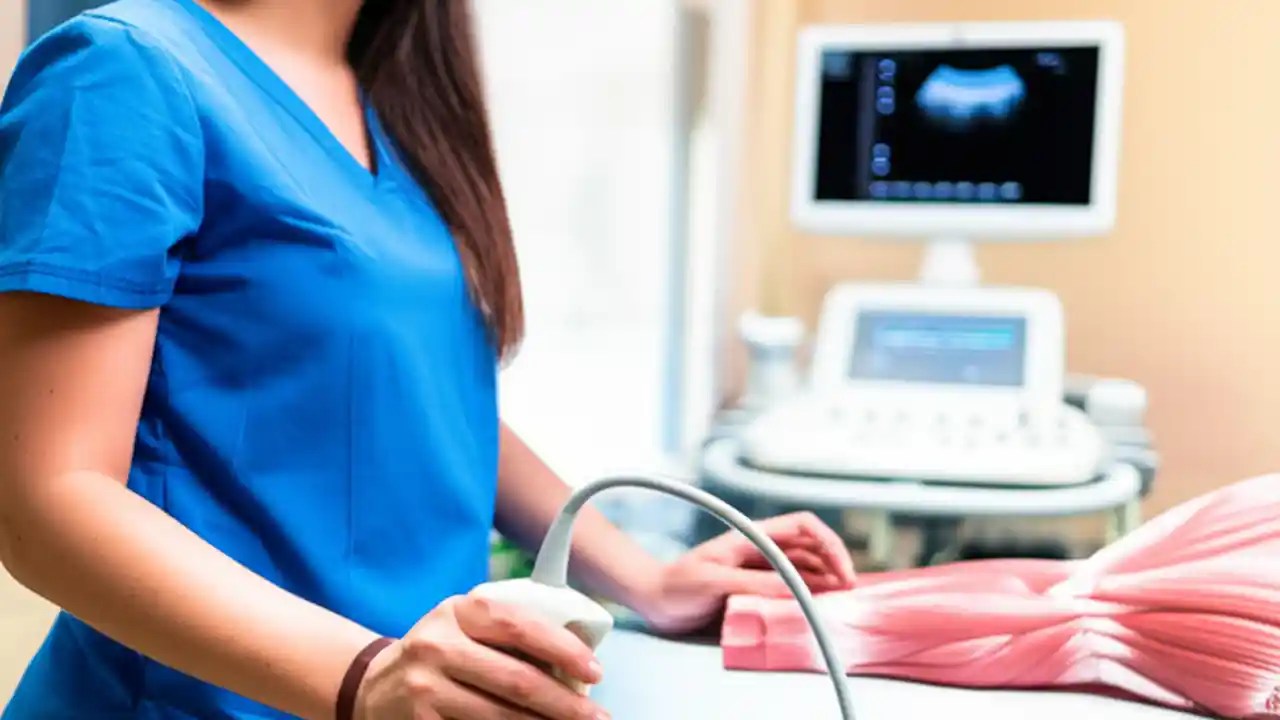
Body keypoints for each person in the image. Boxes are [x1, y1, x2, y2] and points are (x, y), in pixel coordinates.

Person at [0, 1, 857, 718]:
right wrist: (366, 675)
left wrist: (646, 578)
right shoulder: (121, 74)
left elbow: (425, 401)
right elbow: (46, 502)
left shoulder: (399, 105)